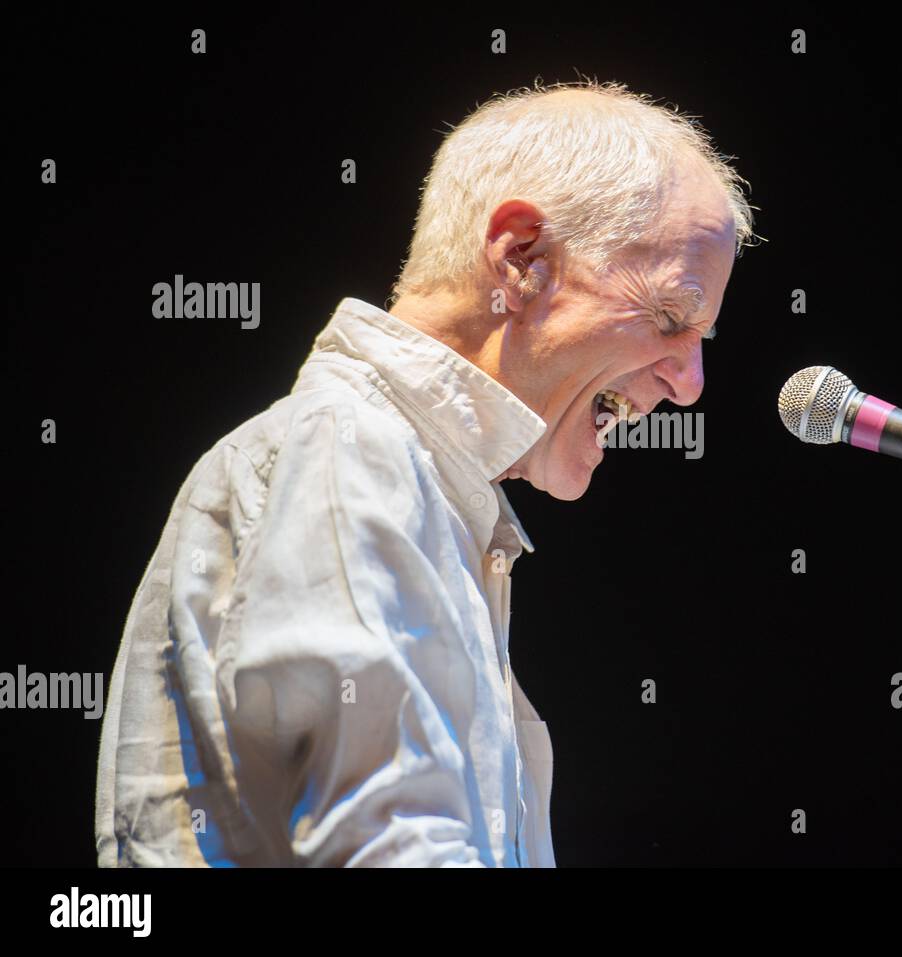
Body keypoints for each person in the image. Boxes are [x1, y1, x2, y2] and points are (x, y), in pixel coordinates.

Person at [94, 80, 756, 866]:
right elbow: (381, 846)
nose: (690, 384)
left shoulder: (404, 476)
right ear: (522, 259)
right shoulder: (349, 448)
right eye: (675, 318)